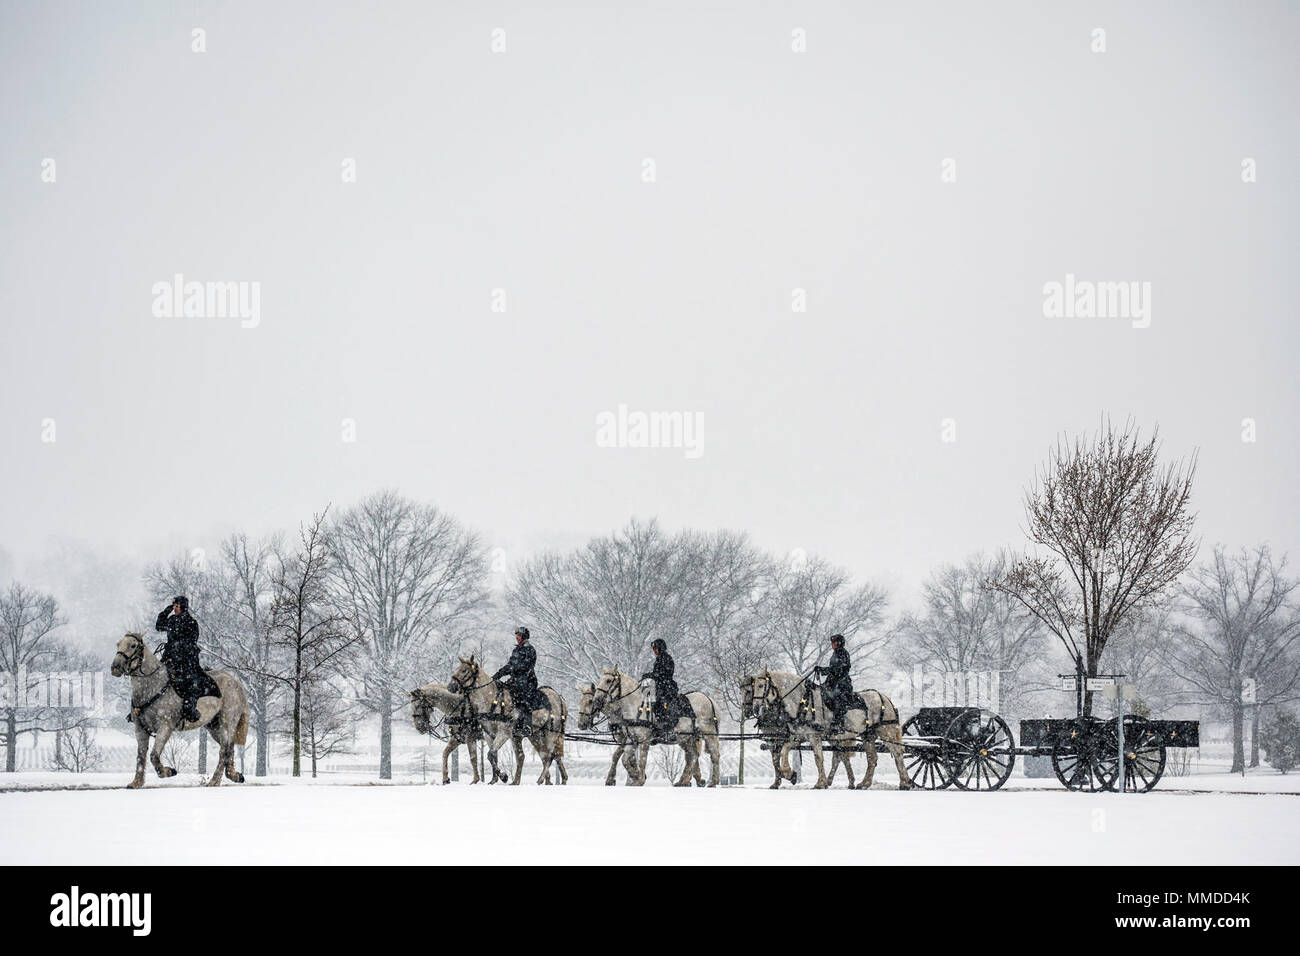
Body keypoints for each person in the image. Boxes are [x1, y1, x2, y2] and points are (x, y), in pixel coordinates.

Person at [154, 596, 218, 723]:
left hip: (186, 659)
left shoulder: (191, 622)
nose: (175, 608)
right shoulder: (172, 619)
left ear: (183, 607)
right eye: (174, 606)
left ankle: (190, 708)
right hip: (170, 656)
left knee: (190, 681)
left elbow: (192, 641)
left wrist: (178, 645)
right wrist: (166, 611)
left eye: (177, 606)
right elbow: (159, 626)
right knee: (155, 675)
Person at [493, 626, 541, 735]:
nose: (517, 638)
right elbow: (510, 665)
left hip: (528, 681)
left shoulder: (530, 649)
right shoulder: (516, 650)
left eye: (519, 636)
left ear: (524, 636)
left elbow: (526, 666)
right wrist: (497, 675)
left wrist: (512, 669)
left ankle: (527, 725)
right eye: (516, 636)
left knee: (523, 700)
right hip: (516, 680)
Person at [814, 633, 853, 731]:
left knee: (837, 698)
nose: (832, 644)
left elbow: (839, 670)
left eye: (834, 642)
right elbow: (833, 670)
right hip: (832, 682)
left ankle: (838, 723)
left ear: (839, 643)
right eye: (832, 642)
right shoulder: (834, 654)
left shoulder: (844, 653)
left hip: (842, 683)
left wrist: (824, 670)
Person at [641, 638, 679, 733]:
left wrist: (651, 675)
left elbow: (663, 673)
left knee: (659, 702)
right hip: (658, 686)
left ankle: (664, 724)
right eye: (653, 649)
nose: (654, 651)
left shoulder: (666, 658)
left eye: (655, 648)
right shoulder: (659, 659)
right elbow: (657, 673)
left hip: (666, 687)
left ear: (660, 648)